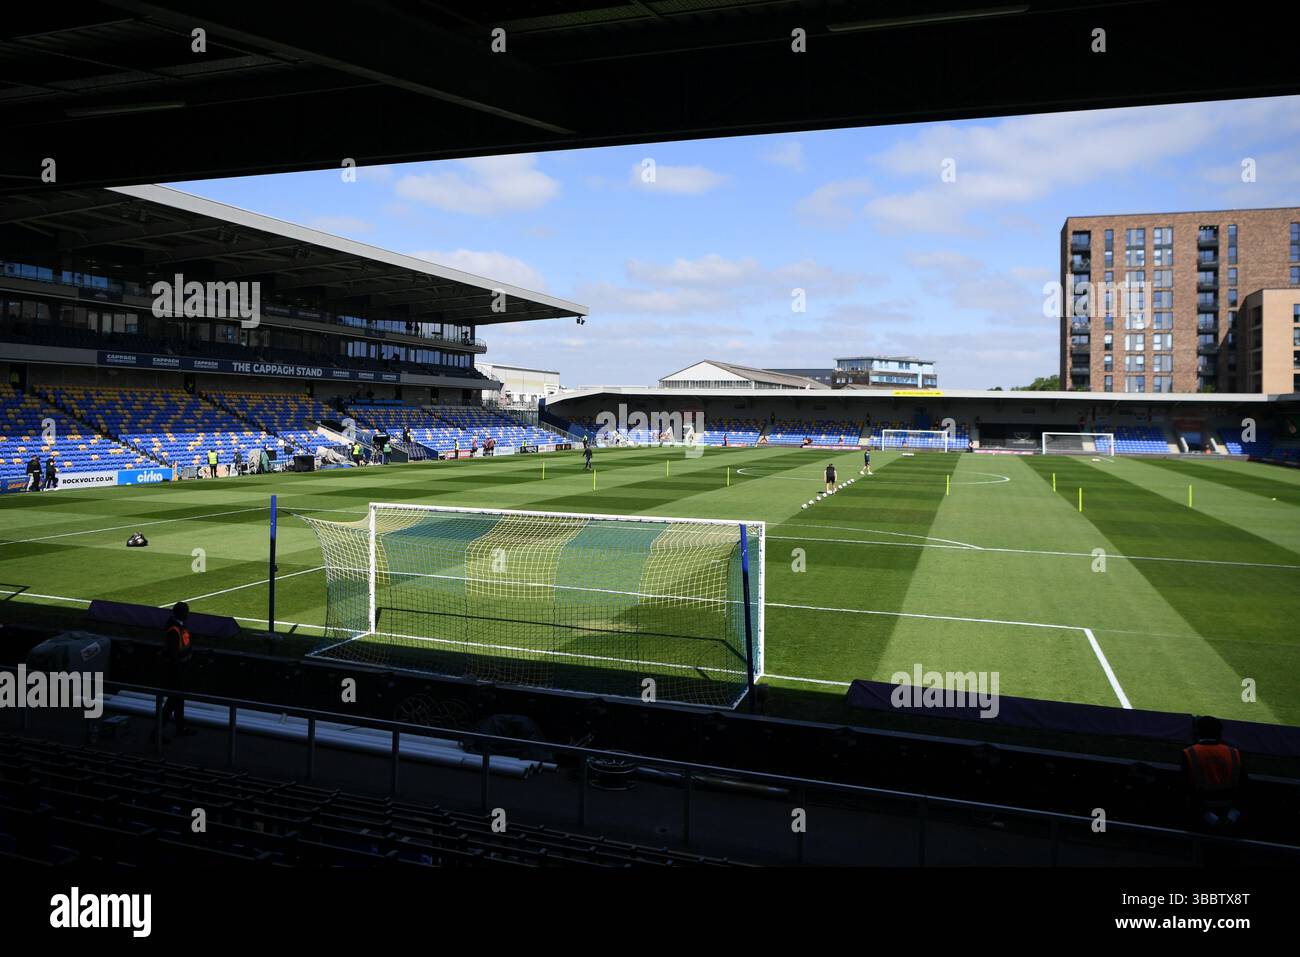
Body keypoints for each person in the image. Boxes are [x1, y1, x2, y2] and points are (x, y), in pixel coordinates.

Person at [1181, 715, 1245, 831]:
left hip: (1199, 818)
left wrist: (1212, 819)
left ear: (1197, 732)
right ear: (1219, 732)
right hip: (1230, 817)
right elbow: (1244, 787)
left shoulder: (1189, 753)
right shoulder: (1234, 753)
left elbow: (1187, 788)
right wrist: (1231, 817)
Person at [158, 602, 197, 741]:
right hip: (176, 671)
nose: (188, 614)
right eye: (186, 612)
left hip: (180, 669)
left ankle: (180, 728)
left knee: (178, 701)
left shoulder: (178, 626)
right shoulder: (174, 630)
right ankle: (156, 733)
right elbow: (173, 654)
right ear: (180, 613)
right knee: (172, 703)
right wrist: (180, 669)